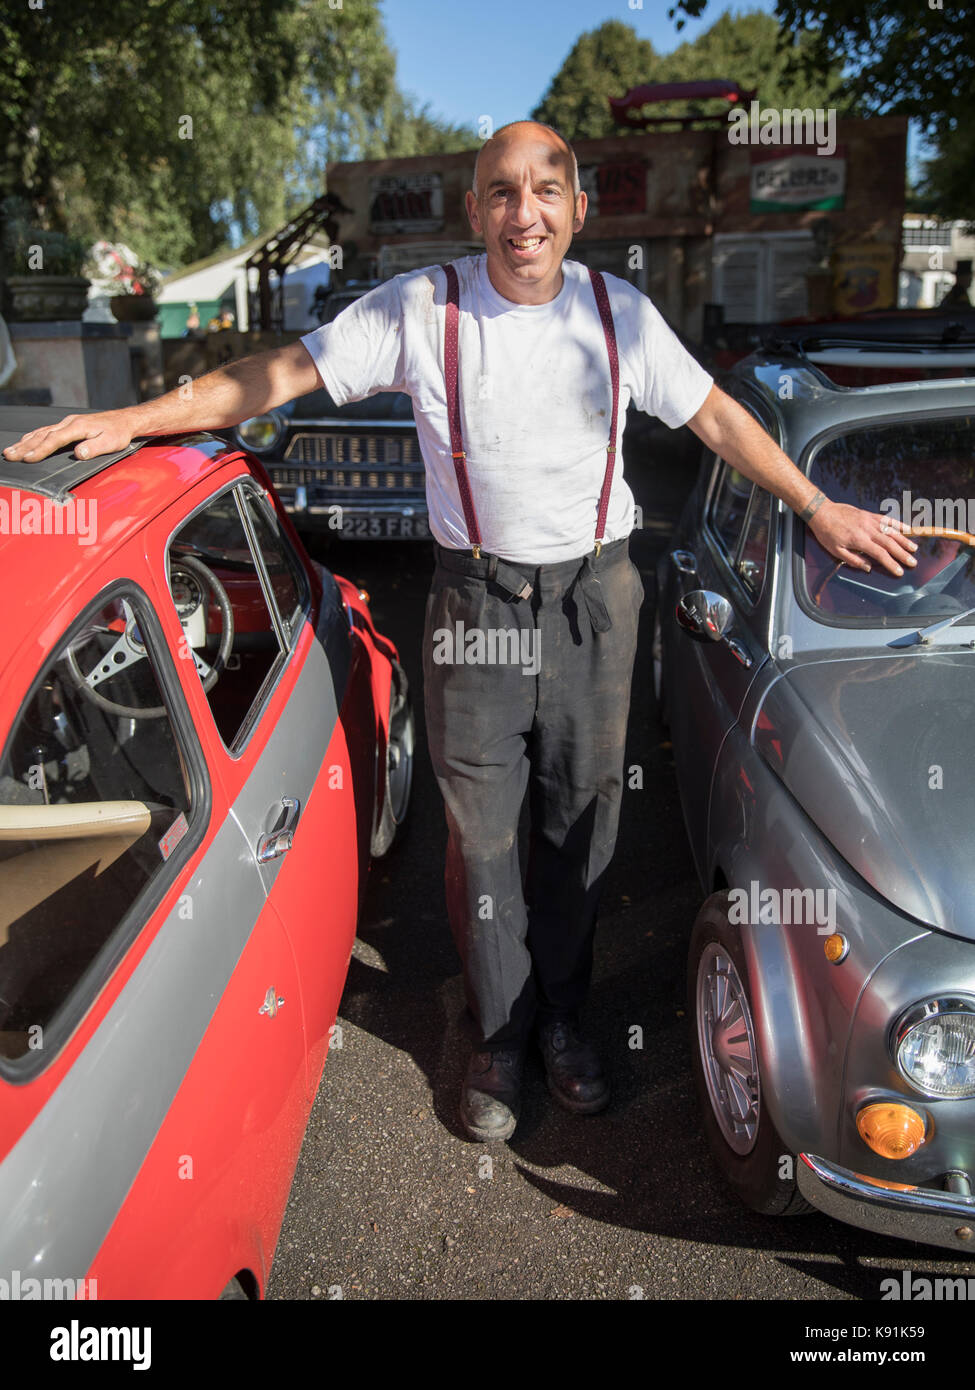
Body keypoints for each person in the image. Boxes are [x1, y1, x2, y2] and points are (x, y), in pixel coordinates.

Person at [1, 121, 918, 1143]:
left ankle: (565, 1020)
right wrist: (135, 419)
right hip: (473, 607)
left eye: (544, 192)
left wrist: (817, 505)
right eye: (499, 193)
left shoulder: (622, 315)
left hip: (595, 604)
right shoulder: (418, 308)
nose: (522, 214)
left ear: (577, 208)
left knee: (584, 825)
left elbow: (713, 417)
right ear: (473, 208)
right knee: (481, 843)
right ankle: (496, 1033)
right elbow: (278, 376)